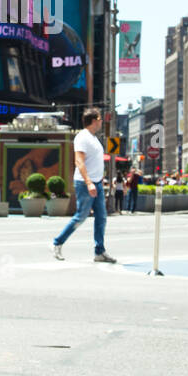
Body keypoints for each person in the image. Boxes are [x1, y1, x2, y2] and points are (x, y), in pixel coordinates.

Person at [52, 109, 115, 262]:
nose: (101, 122)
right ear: (93, 120)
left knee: (101, 217)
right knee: (81, 216)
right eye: (100, 119)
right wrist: (88, 182)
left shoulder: (93, 138)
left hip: (97, 183)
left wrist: (98, 182)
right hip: (85, 183)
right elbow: (79, 161)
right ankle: (57, 243)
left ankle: (99, 252)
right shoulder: (82, 137)